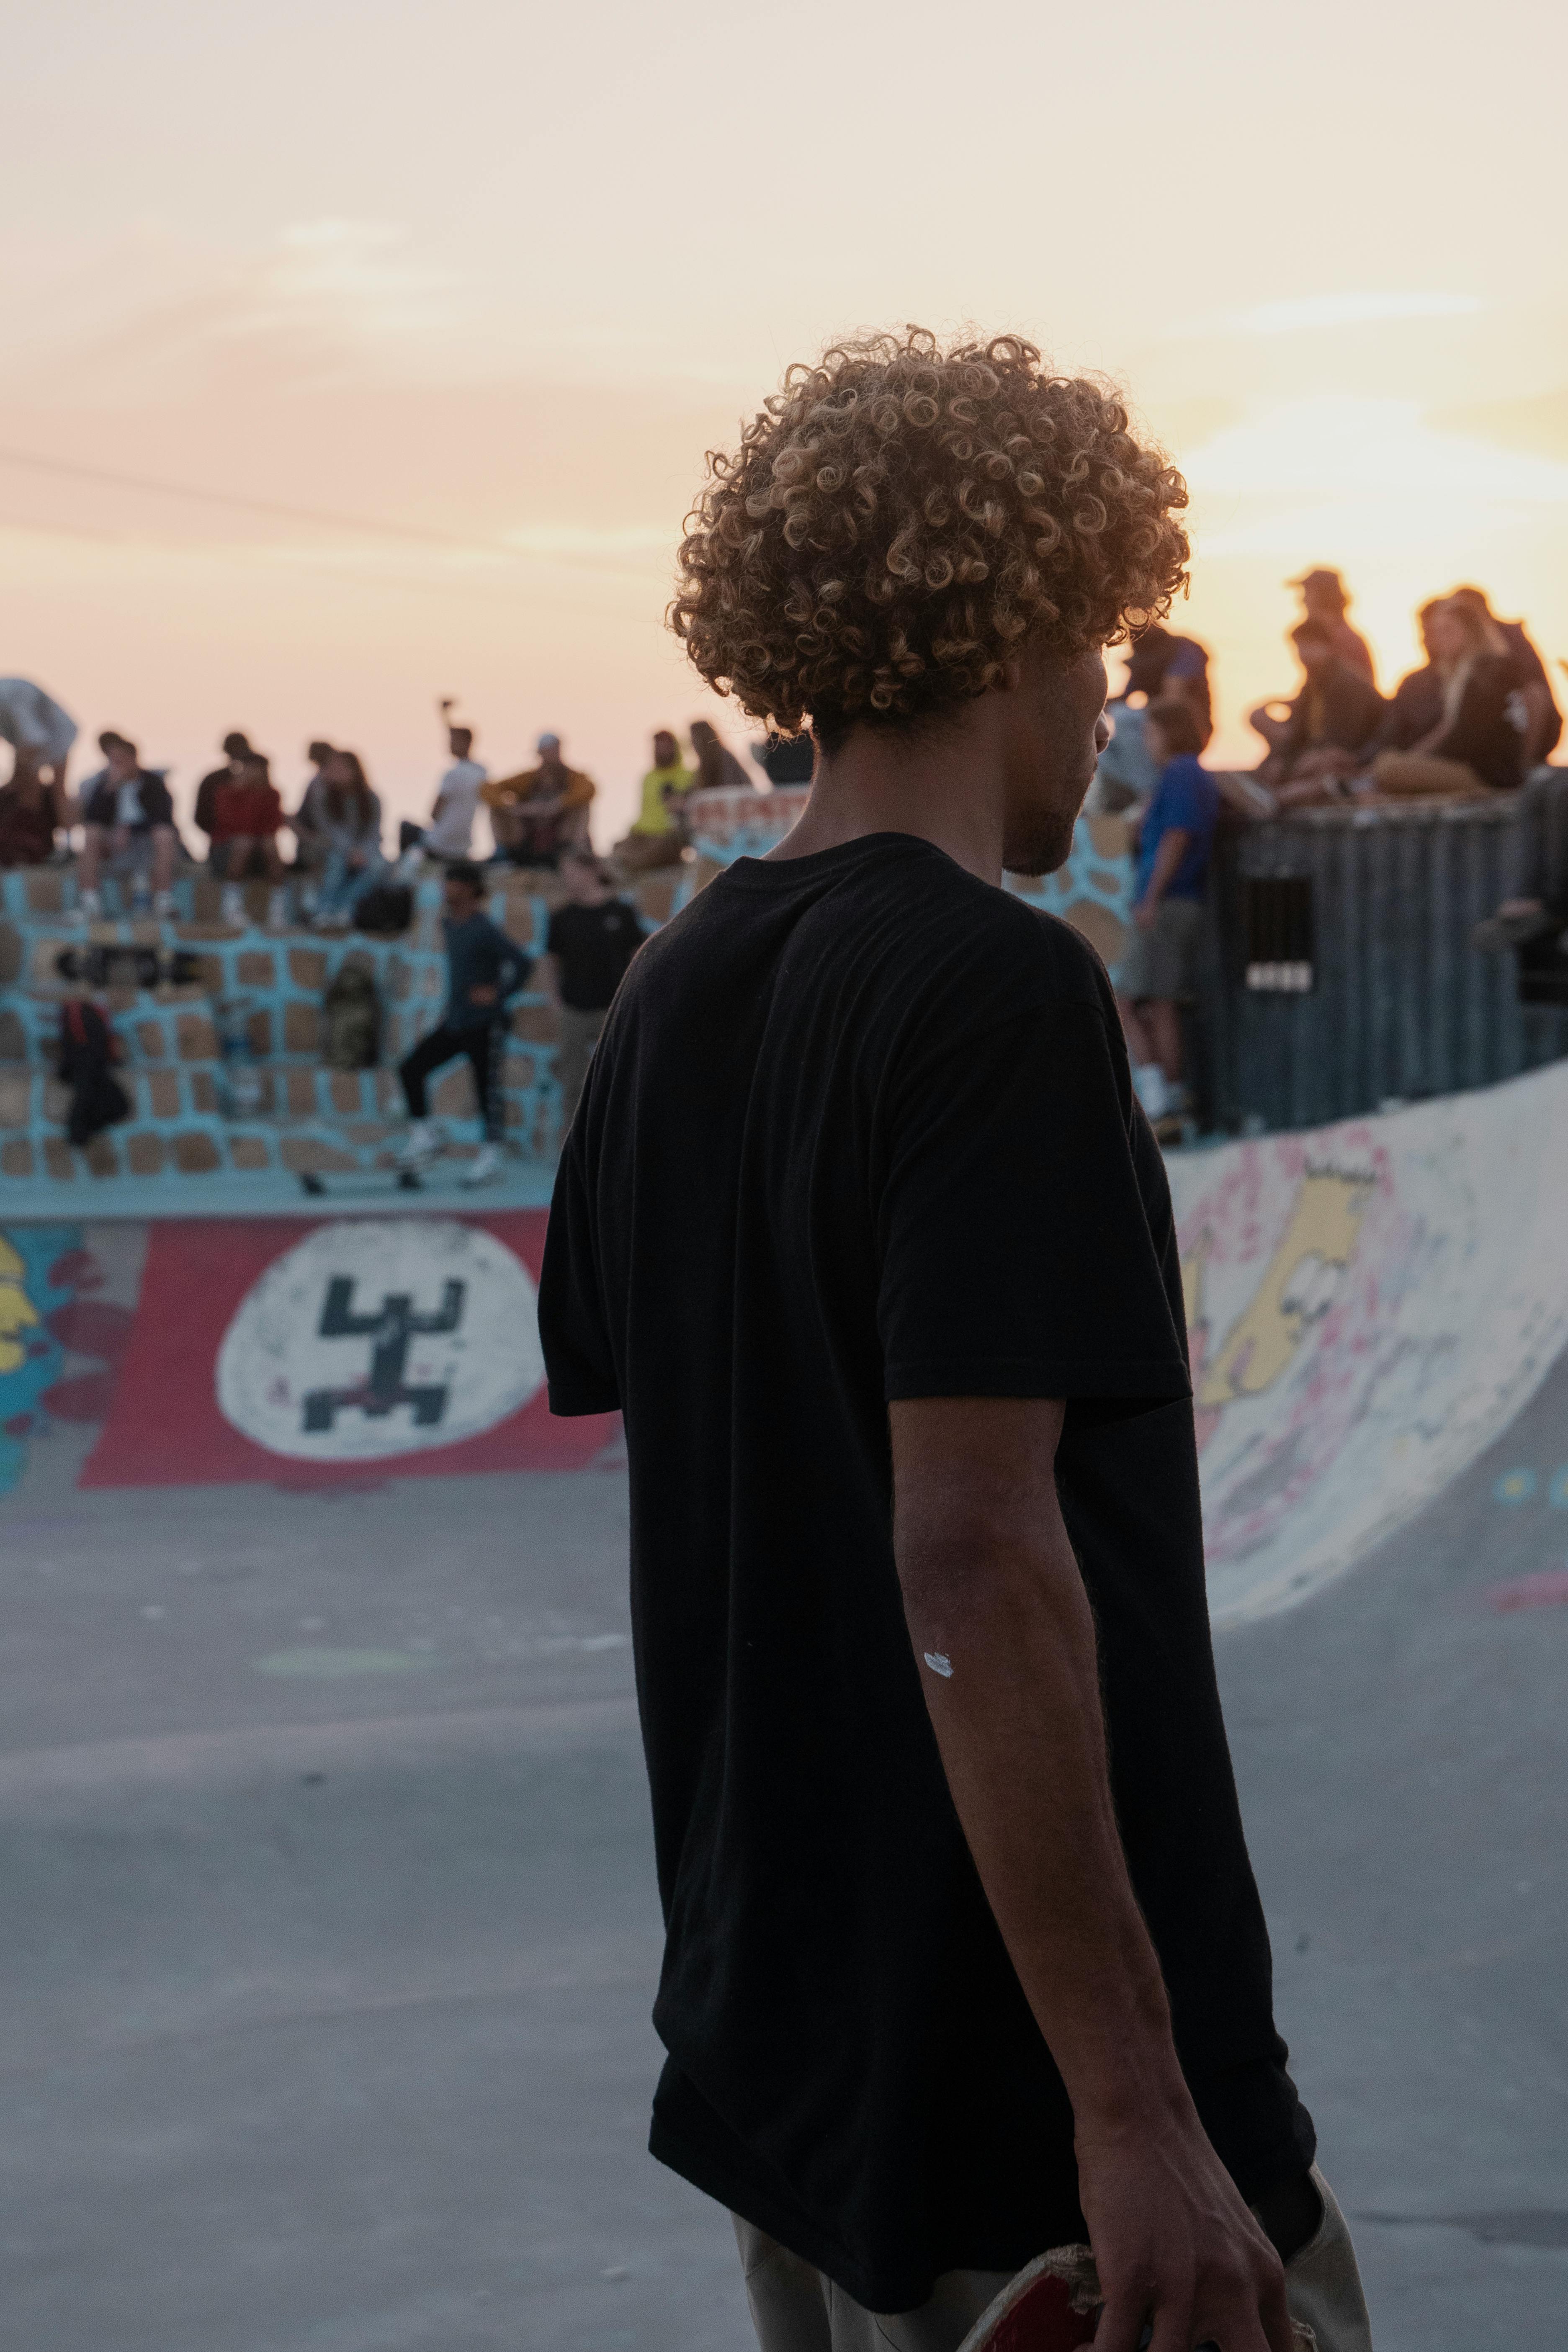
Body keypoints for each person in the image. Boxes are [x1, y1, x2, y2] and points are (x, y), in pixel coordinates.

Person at [538, 327, 1371, 2352]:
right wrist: (1138, 2110)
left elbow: (725, 1460)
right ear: (1018, 629)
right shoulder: (995, 990)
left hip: (796, 2080)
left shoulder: (667, 998)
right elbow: (974, 1554)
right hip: (1036, 2144)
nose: (1108, 706)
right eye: (1104, 645)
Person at [1115, 698, 1220, 1124]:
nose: (1146, 741)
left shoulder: (1180, 772)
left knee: (1129, 1001)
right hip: (1175, 902)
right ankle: (1170, 1098)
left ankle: (1160, 1102)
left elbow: (1177, 836)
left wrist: (1150, 898)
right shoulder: (1183, 776)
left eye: (1151, 732)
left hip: (1167, 902)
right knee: (1159, 1002)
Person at [397, 862, 529, 1186]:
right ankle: (425, 1136)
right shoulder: (448, 924)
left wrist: (498, 993)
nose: (446, 889)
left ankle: (491, 1158)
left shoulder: (483, 927)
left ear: (469, 888)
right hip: (456, 1023)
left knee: (487, 1090)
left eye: (452, 883)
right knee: (411, 1069)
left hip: (486, 1024)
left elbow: (522, 963)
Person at [1365, 594, 1523, 799]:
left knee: (1389, 768)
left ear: (1469, 631)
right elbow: (1451, 730)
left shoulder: (1484, 672)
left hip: (1489, 775)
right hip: (1481, 769)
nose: (1440, 638)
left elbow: (1465, 737)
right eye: (1437, 631)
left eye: (1448, 630)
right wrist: (1414, 760)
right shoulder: (1466, 671)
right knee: (1390, 764)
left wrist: (1417, 763)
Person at [540, 848, 645, 1129]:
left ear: (591, 871)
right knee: (573, 1082)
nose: (567, 879)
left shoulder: (621, 913)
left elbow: (639, 957)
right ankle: (571, 1145)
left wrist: (633, 1002)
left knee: (620, 1079)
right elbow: (550, 961)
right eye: (564, 873)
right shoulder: (562, 917)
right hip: (574, 1010)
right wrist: (554, 1001)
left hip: (614, 1012)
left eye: (571, 872)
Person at [1248, 620, 1385, 798]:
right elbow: (1298, 735)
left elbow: (1343, 742)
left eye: (1309, 646)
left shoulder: (1347, 684)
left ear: (1328, 648)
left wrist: (1300, 761)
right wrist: (1281, 761)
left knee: (1318, 764)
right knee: (1276, 767)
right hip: (1324, 755)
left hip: (1358, 758)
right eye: (1300, 648)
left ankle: (1277, 797)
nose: (1303, 654)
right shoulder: (1312, 686)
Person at [1446, 584, 1561, 766]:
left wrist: (1524, 760)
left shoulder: (1507, 640)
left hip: (1523, 743)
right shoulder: (1460, 654)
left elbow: (1535, 694)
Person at [75, 734, 178, 921]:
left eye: (120, 760)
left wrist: (129, 828)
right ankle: (90, 903)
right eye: (113, 761)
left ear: (133, 759)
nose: (116, 765)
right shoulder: (104, 784)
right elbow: (92, 819)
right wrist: (108, 791)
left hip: (146, 843)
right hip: (113, 845)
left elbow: (164, 818)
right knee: (91, 835)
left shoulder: (153, 783)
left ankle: (163, 900)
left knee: (164, 835)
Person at [482, 733, 595, 867]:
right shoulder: (528, 779)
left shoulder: (574, 778)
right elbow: (487, 789)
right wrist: (515, 808)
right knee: (497, 809)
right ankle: (504, 851)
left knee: (581, 807)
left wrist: (557, 805)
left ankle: (574, 851)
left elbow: (589, 790)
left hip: (561, 837)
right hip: (527, 837)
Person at [210, 752, 290, 930]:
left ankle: (278, 909)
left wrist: (256, 796)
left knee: (270, 844)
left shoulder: (272, 795)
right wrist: (246, 795)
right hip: (227, 851)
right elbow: (233, 824)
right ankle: (232, 907)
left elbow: (272, 826)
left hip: (259, 850)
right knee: (244, 842)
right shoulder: (227, 792)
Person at [310, 750, 386, 929]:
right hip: (333, 849)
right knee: (336, 864)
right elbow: (330, 832)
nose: (337, 772)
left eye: (342, 767)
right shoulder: (323, 798)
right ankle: (325, 911)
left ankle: (345, 909)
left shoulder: (372, 799)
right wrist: (351, 851)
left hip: (364, 852)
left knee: (378, 867)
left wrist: (363, 852)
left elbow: (374, 833)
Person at [411, 702, 488, 862]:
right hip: (464, 845)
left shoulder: (453, 774)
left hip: (440, 844)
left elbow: (434, 814)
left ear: (465, 743)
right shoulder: (481, 772)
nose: (449, 744)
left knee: (406, 829)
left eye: (453, 741)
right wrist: (445, 715)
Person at [611, 729, 695, 870]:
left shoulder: (688, 777)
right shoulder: (648, 778)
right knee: (616, 851)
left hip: (667, 836)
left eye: (665, 747)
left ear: (675, 748)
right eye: (658, 747)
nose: (661, 751)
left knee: (639, 859)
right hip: (641, 834)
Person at [56, 993, 129, 1151]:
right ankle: (80, 1133)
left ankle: (82, 1132)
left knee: (114, 1104)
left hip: (89, 1065)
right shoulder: (80, 1011)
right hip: (89, 1064)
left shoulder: (83, 1011)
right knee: (112, 1104)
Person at [1287, 569, 1376, 684]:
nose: (1303, 600)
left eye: (1308, 593)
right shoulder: (1340, 637)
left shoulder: (1343, 641)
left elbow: (1351, 691)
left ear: (1323, 596)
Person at [0, 677, 77, 803]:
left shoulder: (9, 695)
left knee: (57, 796)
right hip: (39, 739)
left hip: (57, 737)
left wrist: (16, 780)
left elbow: (34, 743)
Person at [0, 746, 69, 867]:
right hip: (7, 860)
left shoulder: (49, 796)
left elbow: (66, 824)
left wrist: (60, 780)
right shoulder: (6, 796)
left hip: (39, 859)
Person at [193, 733, 255, 852]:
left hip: (229, 842)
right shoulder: (213, 780)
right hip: (222, 843)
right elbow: (202, 817)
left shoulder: (212, 779)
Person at [689, 717, 756, 794]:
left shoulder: (725, 759)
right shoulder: (702, 767)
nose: (692, 744)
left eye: (694, 739)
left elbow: (730, 788)